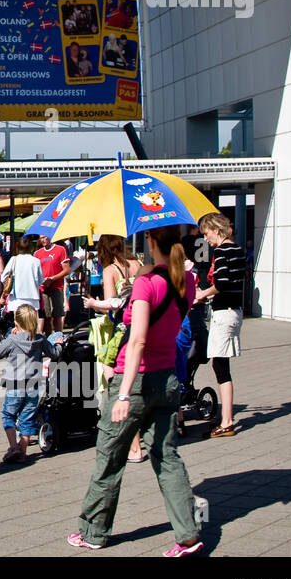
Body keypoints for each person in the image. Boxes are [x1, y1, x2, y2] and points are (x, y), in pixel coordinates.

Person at [69, 226, 202, 557]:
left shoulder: (147, 284)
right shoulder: (183, 282)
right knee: (166, 455)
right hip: (167, 376)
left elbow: (139, 338)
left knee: (109, 455)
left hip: (136, 379)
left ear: (151, 242)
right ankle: (187, 534)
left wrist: (124, 394)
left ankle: (94, 532)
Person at [83, 235, 144, 460]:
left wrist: (93, 304)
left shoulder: (110, 270)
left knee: (116, 383)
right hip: (138, 325)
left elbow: (111, 304)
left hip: (119, 330)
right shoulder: (137, 264)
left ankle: (133, 445)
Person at [194, 212, 246, 437]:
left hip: (224, 313)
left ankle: (227, 420)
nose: (206, 239)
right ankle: (226, 417)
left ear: (216, 229)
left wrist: (202, 294)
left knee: (220, 366)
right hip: (235, 311)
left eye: (207, 234)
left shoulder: (223, 250)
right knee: (221, 365)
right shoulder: (238, 249)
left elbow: (222, 283)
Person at [0, 304, 58, 462]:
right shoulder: (40, 339)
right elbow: (54, 353)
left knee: (8, 415)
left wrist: (9, 336)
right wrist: (59, 343)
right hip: (33, 386)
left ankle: (14, 446)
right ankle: (23, 451)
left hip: (15, 385)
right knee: (27, 418)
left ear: (16, 322)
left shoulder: (13, 339)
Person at [0, 237, 44, 331]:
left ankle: (20, 343)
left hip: (17, 297)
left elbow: (3, 277)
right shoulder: (36, 261)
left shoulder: (14, 259)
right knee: (32, 326)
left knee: (19, 326)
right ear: (30, 247)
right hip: (33, 297)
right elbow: (41, 280)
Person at [33, 235, 70, 335]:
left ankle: (59, 339)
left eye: (45, 237)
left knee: (57, 316)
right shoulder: (37, 253)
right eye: (41, 238)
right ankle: (48, 341)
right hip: (42, 289)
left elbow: (67, 270)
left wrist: (52, 279)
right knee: (45, 316)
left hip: (56, 287)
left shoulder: (60, 250)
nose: (43, 240)